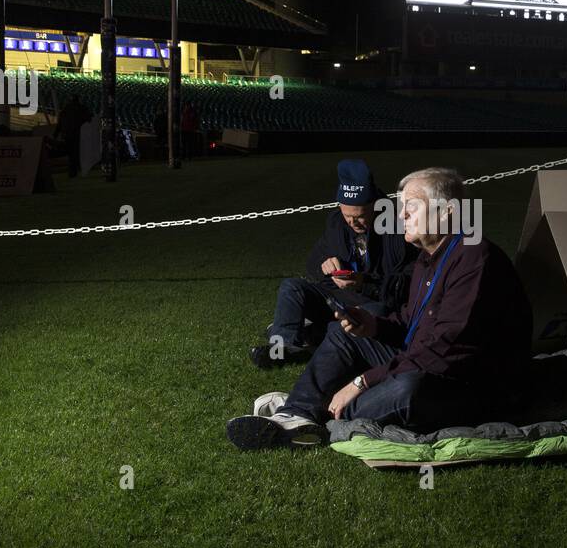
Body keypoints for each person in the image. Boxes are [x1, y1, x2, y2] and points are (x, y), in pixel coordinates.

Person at [226, 166, 533, 450]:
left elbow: (445, 349)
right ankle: (297, 410)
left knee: (408, 389)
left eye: (412, 207)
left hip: (473, 383)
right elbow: (411, 324)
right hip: (432, 361)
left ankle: (315, 409)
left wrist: (363, 381)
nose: (401, 216)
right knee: (345, 333)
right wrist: (372, 326)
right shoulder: (429, 257)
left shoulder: (474, 259)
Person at [250, 159, 414, 369]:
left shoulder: (399, 227)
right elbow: (313, 263)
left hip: (374, 302)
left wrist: (364, 282)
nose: (353, 223)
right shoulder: (337, 222)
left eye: (360, 217)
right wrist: (324, 264)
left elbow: (405, 285)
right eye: (347, 216)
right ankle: (281, 348)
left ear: (375, 206)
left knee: (377, 313)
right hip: (339, 299)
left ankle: (309, 334)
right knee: (292, 287)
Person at [53, 94, 90, 177]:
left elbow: (60, 123)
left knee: (71, 153)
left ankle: (72, 171)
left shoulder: (65, 109)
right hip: (78, 134)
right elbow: (89, 119)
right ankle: (77, 169)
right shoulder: (82, 108)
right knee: (77, 152)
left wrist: (56, 134)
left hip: (67, 134)